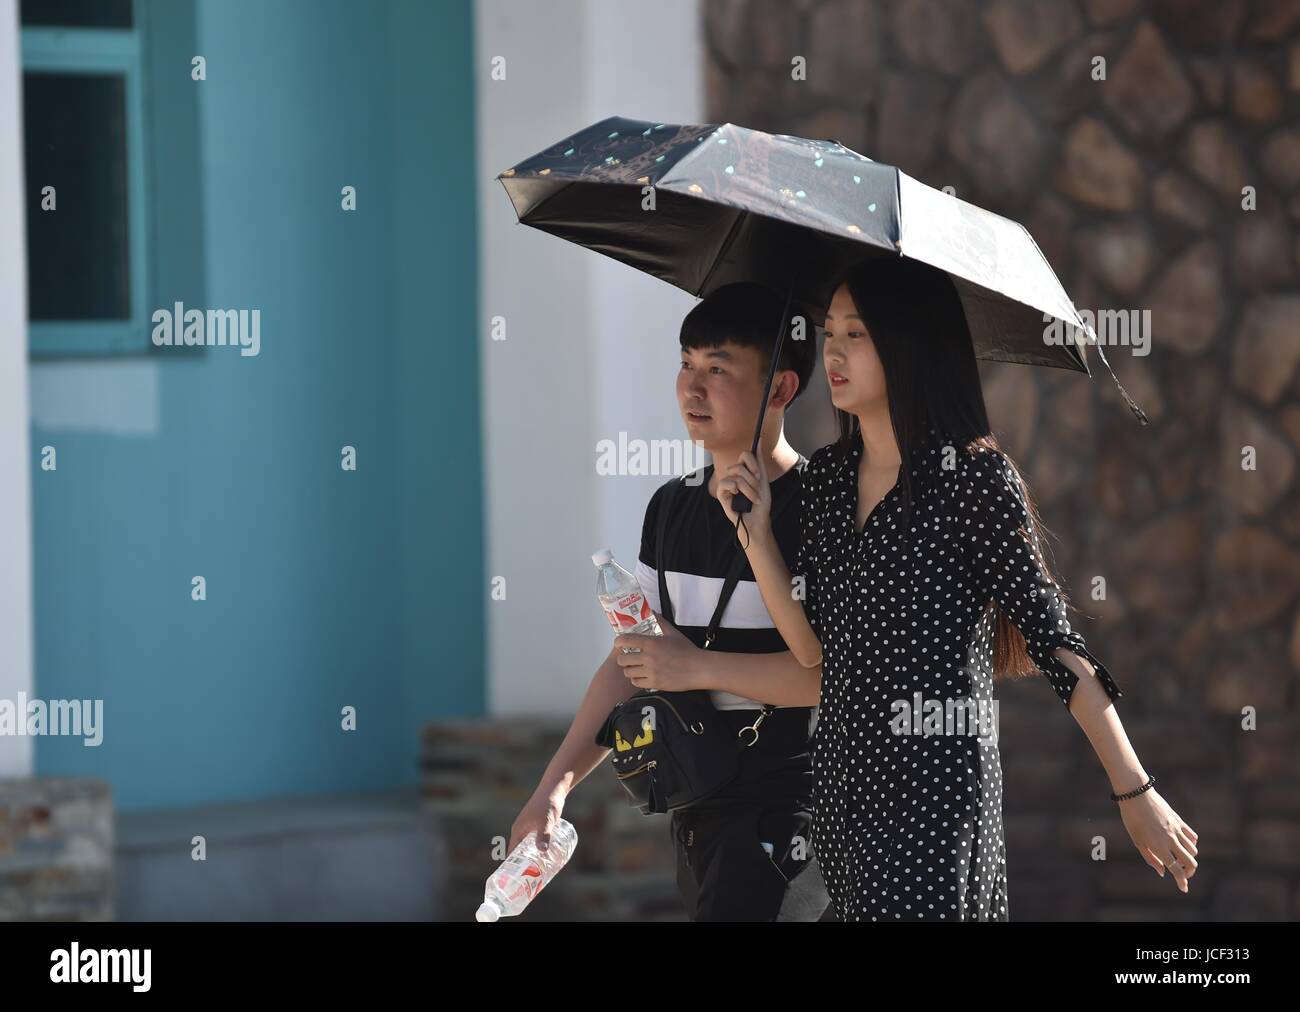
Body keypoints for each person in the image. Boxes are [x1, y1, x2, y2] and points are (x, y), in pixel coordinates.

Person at [717, 256, 1199, 921]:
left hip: (935, 797)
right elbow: (813, 654)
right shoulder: (827, 479)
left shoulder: (972, 480)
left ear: (908, 341)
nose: (834, 350)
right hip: (843, 795)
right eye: (829, 332)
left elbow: (1054, 642)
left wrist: (1134, 788)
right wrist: (755, 535)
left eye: (856, 333)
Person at [509, 282, 831, 921]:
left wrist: (697, 668)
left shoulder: (822, 505)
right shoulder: (672, 505)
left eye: (718, 369)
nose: (692, 387)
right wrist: (553, 790)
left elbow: (829, 677)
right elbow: (633, 658)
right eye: (686, 364)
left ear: (781, 390)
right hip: (693, 803)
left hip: (791, 817)